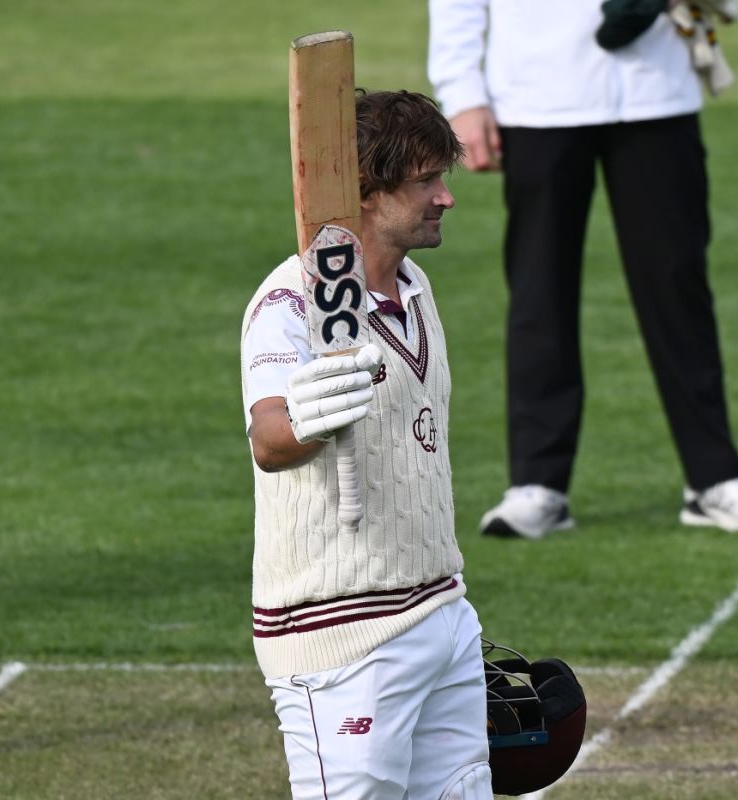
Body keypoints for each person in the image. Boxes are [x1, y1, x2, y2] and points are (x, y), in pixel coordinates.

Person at [427, 0, 738, 538]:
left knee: (678, 288)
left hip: (657, 92)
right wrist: (462, 94)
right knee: (540, 291)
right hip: (538, 94)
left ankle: (715, 478)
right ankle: (538, 484)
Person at [240, 89, 493, 799]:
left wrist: (450, 614)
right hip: (343, 637)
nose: (445, 197)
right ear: (366, 192)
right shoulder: (289, 305)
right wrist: (310, 417)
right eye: (424, 182)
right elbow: (269, 439)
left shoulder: (416, 291)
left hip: (441, 609)